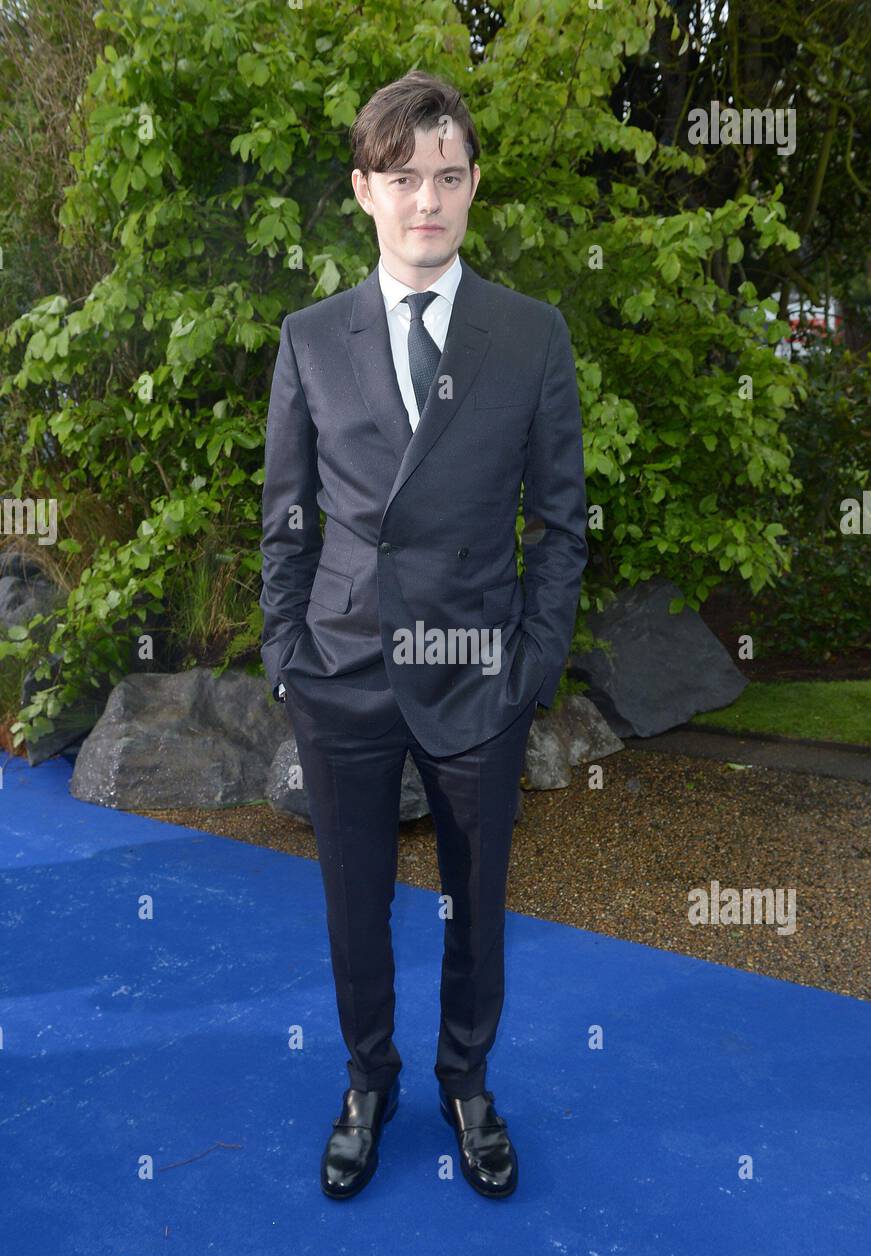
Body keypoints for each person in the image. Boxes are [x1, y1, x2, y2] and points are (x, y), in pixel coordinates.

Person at [260, 68, 588, 1199]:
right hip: (341, 676)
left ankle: (466, 1080)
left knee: (477, 903)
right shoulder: (307, 339)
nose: (426, 201)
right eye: (403, 178)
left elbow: (559, 523)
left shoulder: (530, 335)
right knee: (353, 905)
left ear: (474, 184)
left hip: (475, 681)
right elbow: (285, 521)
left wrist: (532, 667)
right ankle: (366, 1080)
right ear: (363, 190)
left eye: (447, 176)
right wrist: (284, 665)